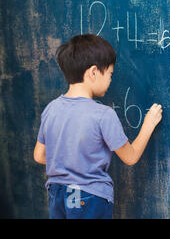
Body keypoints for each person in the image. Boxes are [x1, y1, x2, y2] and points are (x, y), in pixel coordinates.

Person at [33, 34, 162, 219]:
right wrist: (149, 124)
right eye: (110, 74)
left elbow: (39, 155)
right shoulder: (103, 114)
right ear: (93, 72)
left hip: (57, 194)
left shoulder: (51, 109)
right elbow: (130, 157)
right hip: (88, 196)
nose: (110, 80)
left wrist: (68, 159)